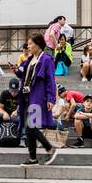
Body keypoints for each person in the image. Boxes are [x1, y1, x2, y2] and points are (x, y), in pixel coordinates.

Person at [16, 34, 58, 166]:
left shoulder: (46, 59)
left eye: (30, 44)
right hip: (26, 97)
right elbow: (25, 75)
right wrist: (17, 72)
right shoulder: (30, 59)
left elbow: (51, 80)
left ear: (38, 44)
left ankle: (50, 148)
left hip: (38, 97)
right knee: (29, 127)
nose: (28, 46)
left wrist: (51, 98)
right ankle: (33, 158)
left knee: (31, 126)